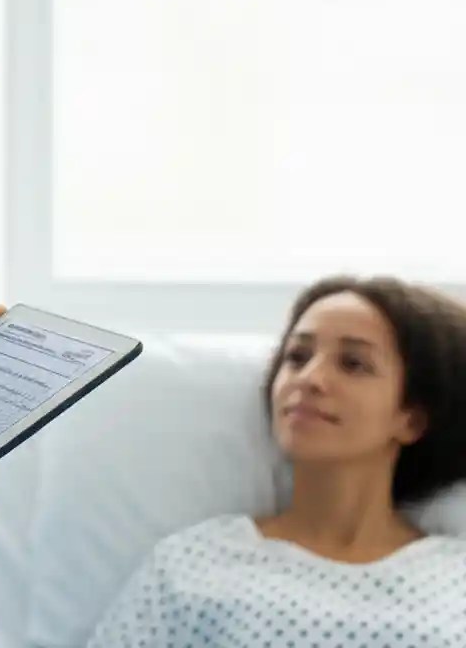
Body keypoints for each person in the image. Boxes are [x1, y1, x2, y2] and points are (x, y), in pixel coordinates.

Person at [87, 276, 466, 647]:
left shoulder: (454, 580)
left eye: (353, 364)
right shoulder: (191, 565)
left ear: (411, 418)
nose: (310, 378)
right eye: (297, 357)